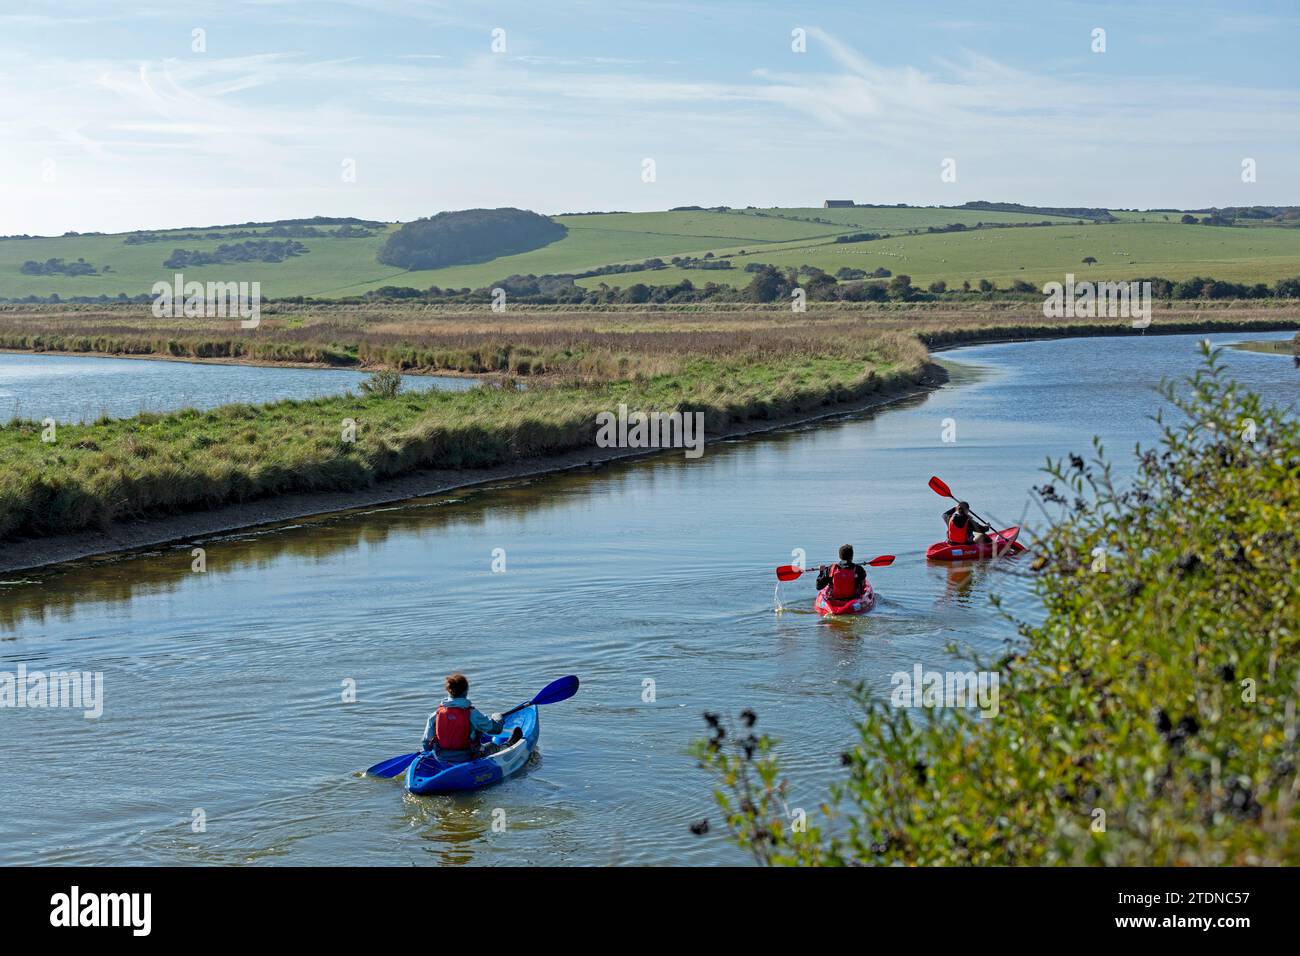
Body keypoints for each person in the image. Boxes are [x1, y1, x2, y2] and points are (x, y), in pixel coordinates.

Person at [422, 672, 522, 763]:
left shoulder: (436, 714)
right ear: (466, 691)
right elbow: (496, 730)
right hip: (467, 756)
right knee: (492, 746)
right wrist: (498, 719)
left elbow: (426, 743)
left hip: (441, 757)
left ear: (448, 692)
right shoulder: (472, 713)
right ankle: (509, 744)